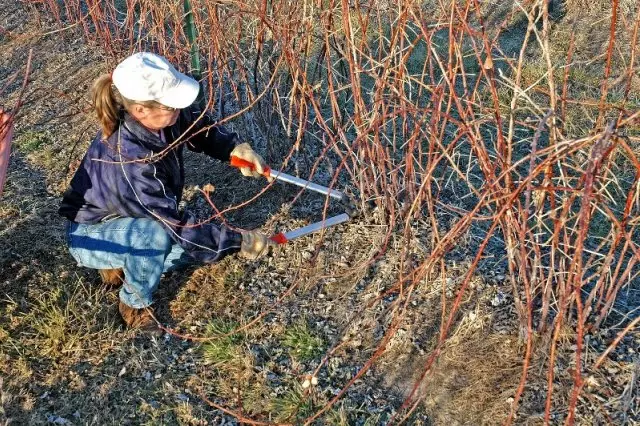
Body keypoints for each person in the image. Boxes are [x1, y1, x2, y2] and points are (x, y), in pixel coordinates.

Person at [59, 52, 273, 333]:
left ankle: (123, 263)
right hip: (90, 233)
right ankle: (133, 304)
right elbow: (171, 222)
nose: (179, 109)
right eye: (171, 105)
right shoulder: (130, 158)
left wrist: (233, 149)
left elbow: (199, 128)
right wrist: (234, 240)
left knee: (185, 249)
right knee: (159, 238)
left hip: (129, 218)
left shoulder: (165, 116)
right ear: (140, 110)